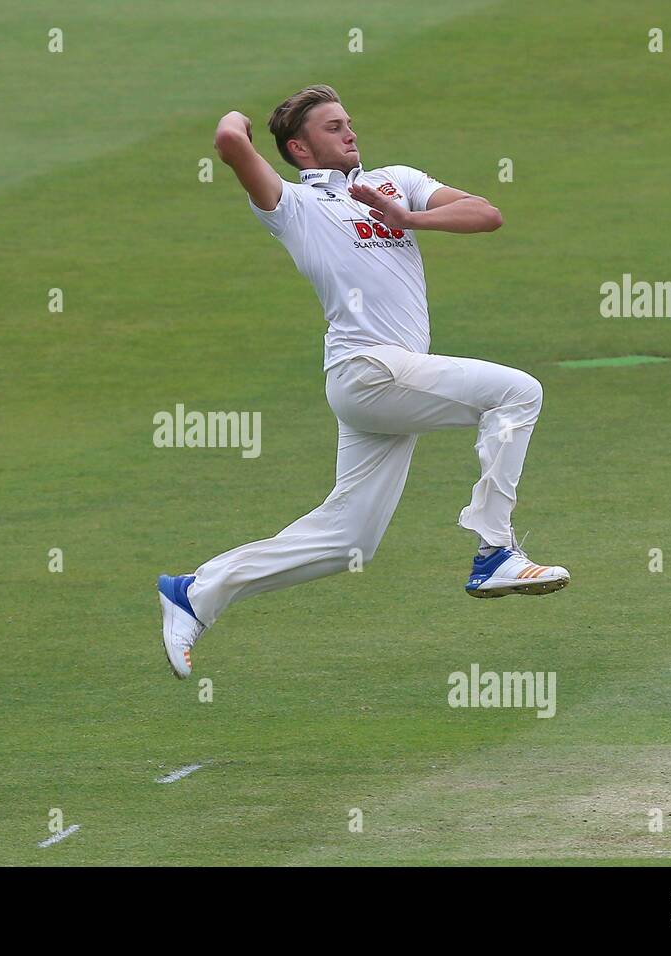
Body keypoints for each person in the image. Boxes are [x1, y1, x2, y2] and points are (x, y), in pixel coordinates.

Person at [157, 86, 569, 679]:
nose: (349, 133)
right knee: (518, 391)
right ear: (299, 148)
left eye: (349, 123)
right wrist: (240, 113)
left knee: (349, 539)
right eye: (331, 127)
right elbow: (228, 138)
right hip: (367, 371)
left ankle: (196, 592)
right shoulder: (292, 204)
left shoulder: (394, 182)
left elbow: (486, 213)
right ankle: (494, 551)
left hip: (390, 384)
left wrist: (408, 217)